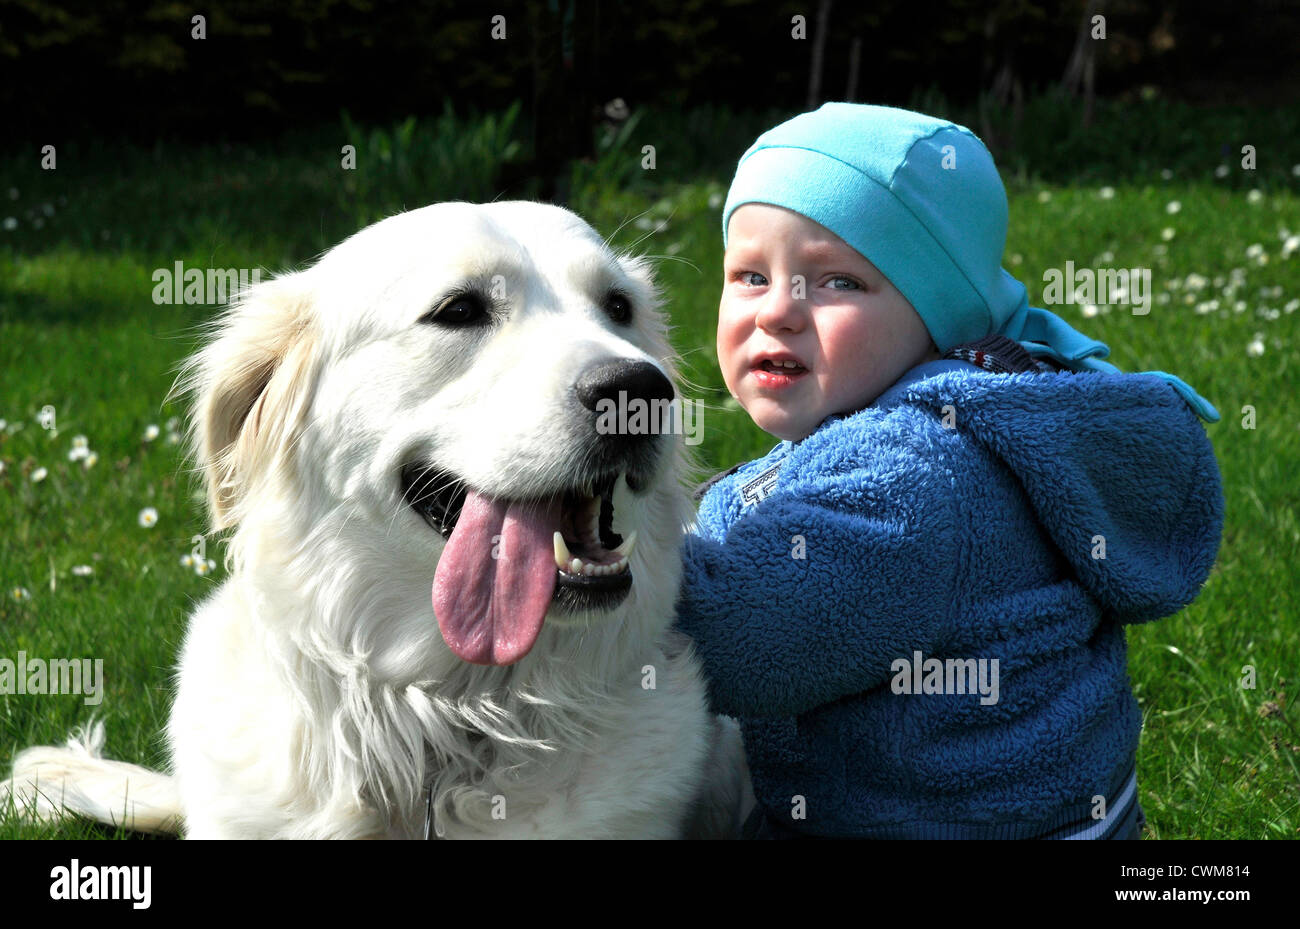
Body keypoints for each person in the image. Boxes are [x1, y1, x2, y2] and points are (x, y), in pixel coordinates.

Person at [673, 102, 1224, 839]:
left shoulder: (910, 475)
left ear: (941, 314)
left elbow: (747, 643)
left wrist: (624, 557)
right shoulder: (950, 411)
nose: (779, 310)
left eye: (836, 281)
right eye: (748, 275)